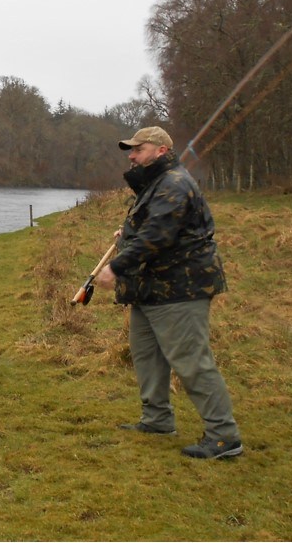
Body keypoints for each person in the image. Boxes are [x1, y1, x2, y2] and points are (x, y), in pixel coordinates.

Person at [93, 126, 243, 459]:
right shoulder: (155, 184)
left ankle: (224, 436)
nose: (131, 156)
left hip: (180, 288)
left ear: (161, 150)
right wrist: (128, 230)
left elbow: (157, 236)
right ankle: (157, 419)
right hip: (150, 289)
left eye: (138, 149)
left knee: (191, 361)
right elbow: (151, 226)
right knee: (146, 355)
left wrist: (115, 268)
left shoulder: (175, 183)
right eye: (130, 151)